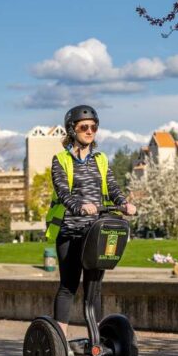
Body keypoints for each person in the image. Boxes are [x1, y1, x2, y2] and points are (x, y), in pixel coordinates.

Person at [46, 105, 136, 336]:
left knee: (94, 288)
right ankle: (60, 341)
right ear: (72, 130)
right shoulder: (61, 160)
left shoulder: (101, 159)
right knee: (68, 286)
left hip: (95, 232)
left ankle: (97, 340)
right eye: (84, 127)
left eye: (93, 127)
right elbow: (63, 191)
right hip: (70, 231)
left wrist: (124, 203)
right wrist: (79, 207)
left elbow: (112, 187)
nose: (89, 131)